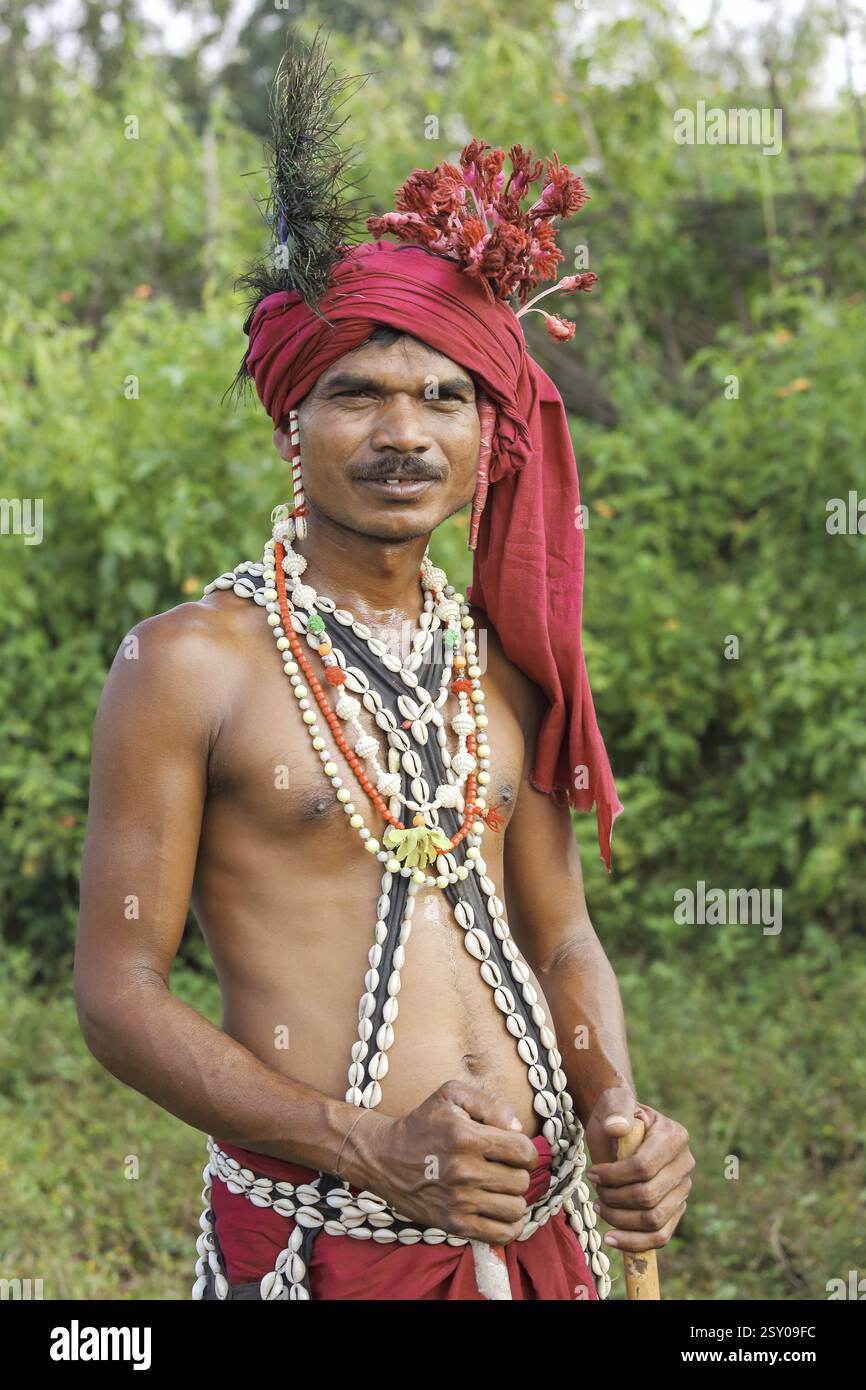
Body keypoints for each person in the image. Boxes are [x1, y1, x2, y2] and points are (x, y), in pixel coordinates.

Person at [74, 34, 694, 1301]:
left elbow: (561, 933)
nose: (403, 433)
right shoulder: (191, 664)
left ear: (487, 434)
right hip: (324, 1240)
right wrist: (370, 1145)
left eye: (444, 397)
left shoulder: (501, 669)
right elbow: (119, 991)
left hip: (545, 1230)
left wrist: (621, 1112)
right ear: (292, 416)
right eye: (357, 391)